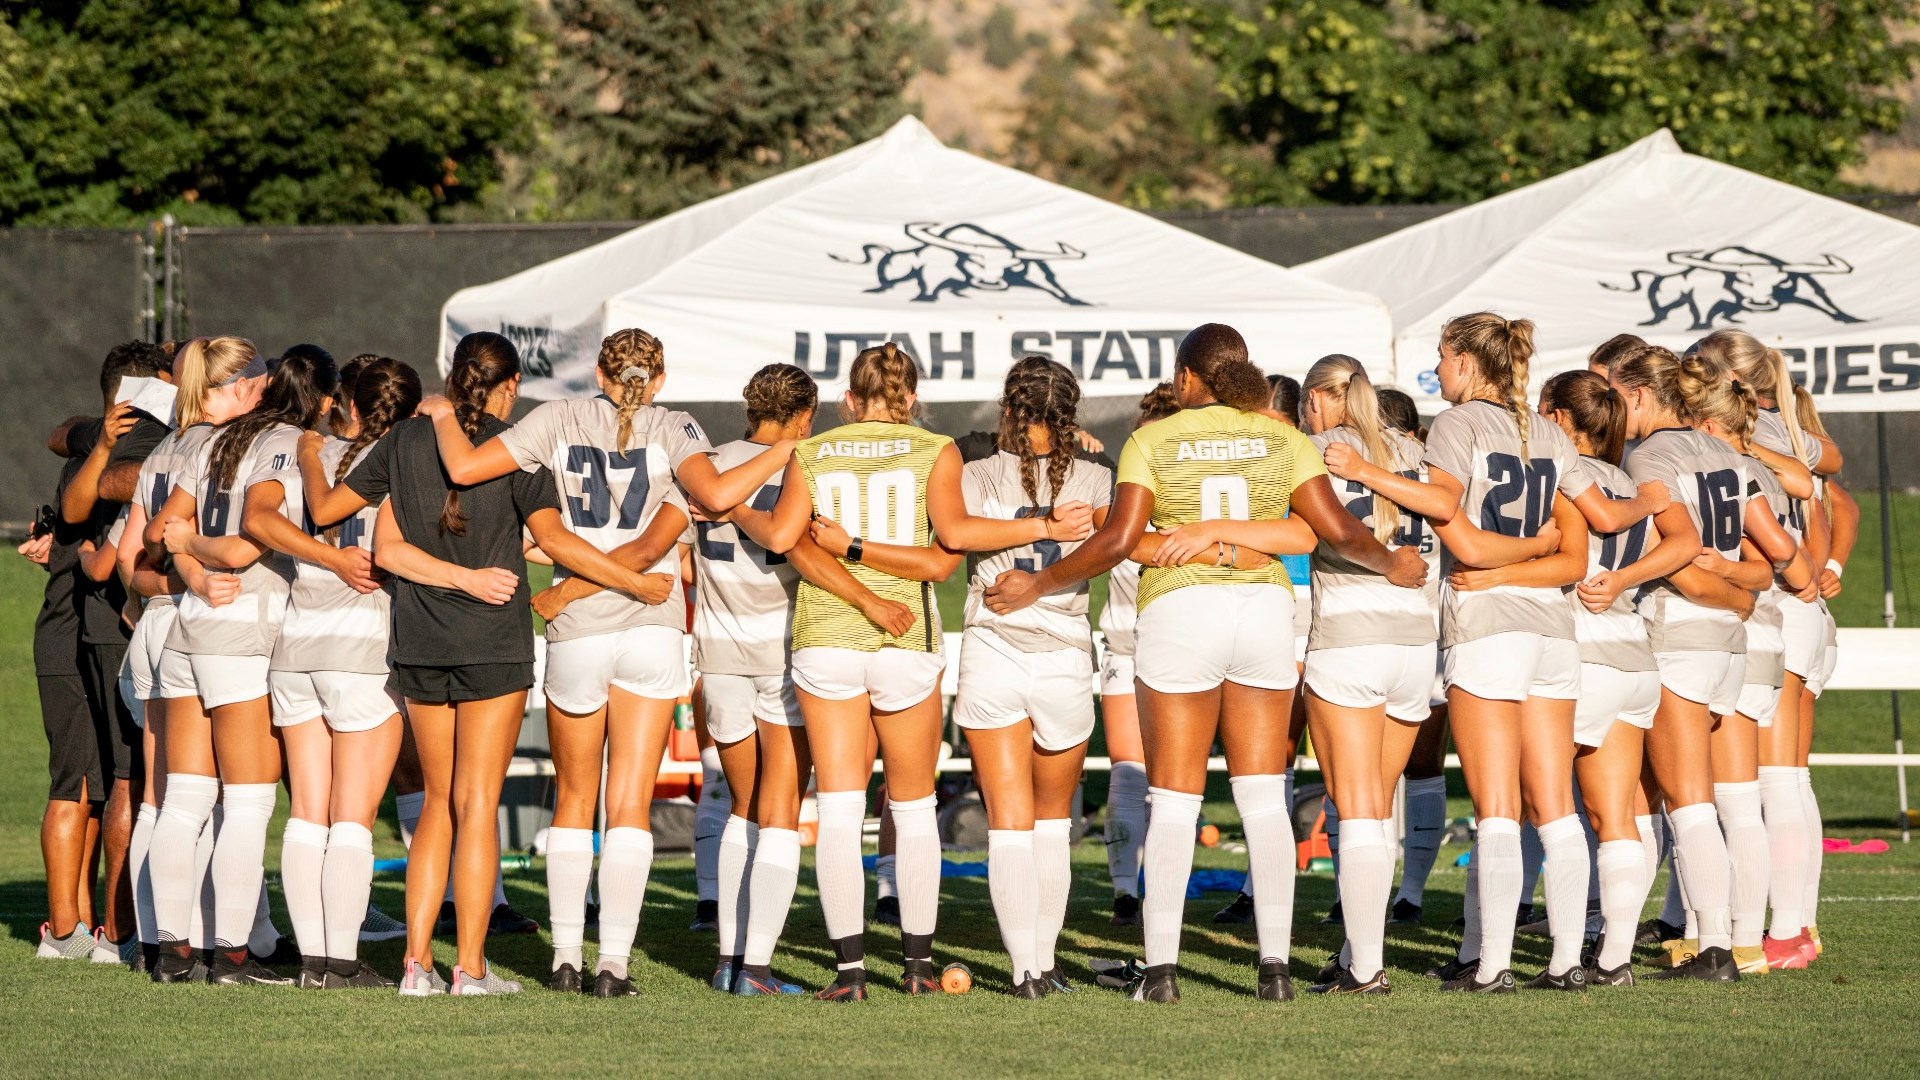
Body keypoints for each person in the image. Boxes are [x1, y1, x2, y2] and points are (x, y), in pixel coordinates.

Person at [985, 323, 1425, 1004]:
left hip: (1180, 616)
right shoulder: (1282, 436)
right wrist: (1391, 560)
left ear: (1187, 378)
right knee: (1261, 800)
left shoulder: (1154, 438)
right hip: (1260, 616)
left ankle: (1161, 974)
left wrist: (1037, 582)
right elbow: (1334, 531)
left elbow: (1119, 542)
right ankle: (1274, 970)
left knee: (1176, 801)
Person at [759, 341, 1094, 1001]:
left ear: (849, 399)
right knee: (912, 809)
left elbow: (779, 539)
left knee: (839, 804)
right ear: (910, 399)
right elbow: (951, 547)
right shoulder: (935, 449)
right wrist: (1042, 528)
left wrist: (850, 573)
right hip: (907, 638)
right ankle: (915, 968)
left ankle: (850, 973)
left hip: (826, 638)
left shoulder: (814, 450)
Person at [328, 332, 661, 995]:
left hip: (419, 639)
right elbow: (555, 540)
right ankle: (470, 969)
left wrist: (312, 455)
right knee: (477, 806)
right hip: (492, 642)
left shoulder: (400, 442)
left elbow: (339, 518)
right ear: (508, 387)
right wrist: (629, 581)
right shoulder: (522, 451)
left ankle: (416, 967)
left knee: (437, 810)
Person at [1327, 314, 1608, 993]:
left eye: (1442, 357)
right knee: (1555, 804)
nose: (1438, 370)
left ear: (1465, 362)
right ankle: (1568, 961)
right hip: (1552, 630)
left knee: (1496, 806)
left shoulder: (1457, 425)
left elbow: (1449, 511)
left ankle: (1493, 965)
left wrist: (1365, 470)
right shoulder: (1546, 430)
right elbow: (1582, 539)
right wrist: (1532, 553)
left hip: (1490, 628)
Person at [220, 355, 410, 989]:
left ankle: (311, 965)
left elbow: (261, 519)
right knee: (351, 819)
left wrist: (320, 555)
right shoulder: (408, 461)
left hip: (297, 645)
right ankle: (342, 963)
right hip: (364, 649)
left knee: (307, 813)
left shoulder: (307, 453)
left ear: (344, 404)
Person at [149, 340, 326, 988]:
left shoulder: (209, 439)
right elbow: (249, 546)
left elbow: (163, 531)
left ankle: (173, 953)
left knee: (186, 799)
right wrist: (205, 559)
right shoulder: (285, 440)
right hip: (240, 632)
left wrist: (189, 565)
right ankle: (230, 956)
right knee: (248, 803)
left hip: (188, 631)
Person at [940, 358, 1116, 997]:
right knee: (1051, 820)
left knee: (1009, 820)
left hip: (993, 649)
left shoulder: (973, 470)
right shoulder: (1098, 474)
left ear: (1008, 409)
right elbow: (1116, 545)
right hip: (1065, 652)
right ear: (1070, 415)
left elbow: (952, 534)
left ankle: (1025, 973)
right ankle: (1044, 961)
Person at [1605, 343, 1773, 982]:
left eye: (1620, 396)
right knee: (1725, 799)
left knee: (1689, 802)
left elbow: (1680, 550)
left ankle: (1714, 950)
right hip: (1727, 644)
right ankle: (1726, 940)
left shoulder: (1647, 455)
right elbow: (1769, 559)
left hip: (1677, 636)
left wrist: (1630, 579)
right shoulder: (1729, 454)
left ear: (1641, 396)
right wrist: (1736, 592)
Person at [1293, 354, 1436, 995]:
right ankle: (1357, 951)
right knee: (1375, 813)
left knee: (1355, 813)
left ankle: (1367, 970)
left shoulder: (1320, 447)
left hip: (1350, 639)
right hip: (1415, 646)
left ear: (1320, 399)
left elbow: (1309, 533)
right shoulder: (1416, 450)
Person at [1531, 371, 1670, 985]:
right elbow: (1683, 539)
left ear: (1563, 419)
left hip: (1581, 656)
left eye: (1543, 409)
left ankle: (1557, 959)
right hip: (1635, 654)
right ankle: (1613, 958)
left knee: (1543, 808)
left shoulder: (1563, 475)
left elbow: (1554, 551)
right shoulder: (1630, 480)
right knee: (1615, 816)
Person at [1685, 373, 1814, 975]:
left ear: (1707, 424)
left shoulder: (1723, 469)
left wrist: (1723, 573)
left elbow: (1779, 561)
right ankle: (1766, 931)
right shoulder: (1762, 470)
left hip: (1740, 632)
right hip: (1768, 635)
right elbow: (1804, 546)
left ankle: (1742, 938)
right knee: (1761, 792)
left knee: (1733, 799)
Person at [55, 341, 175, 964]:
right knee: (133, 778)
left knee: (117, 779)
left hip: (108, 626)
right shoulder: (142, 442)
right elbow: (104, 535)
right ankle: (121, 931)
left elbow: (61, 436)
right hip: (124, 628)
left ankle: (104, 928)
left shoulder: (105, 439)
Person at [1098, 382, 1181, 926]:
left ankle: (1135, 889)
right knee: (1150, 776)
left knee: (1149, 777)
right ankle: (1137, 890)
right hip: (1151, 642)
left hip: (1160, 643)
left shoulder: (1124, 485)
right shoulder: (1170, 487)